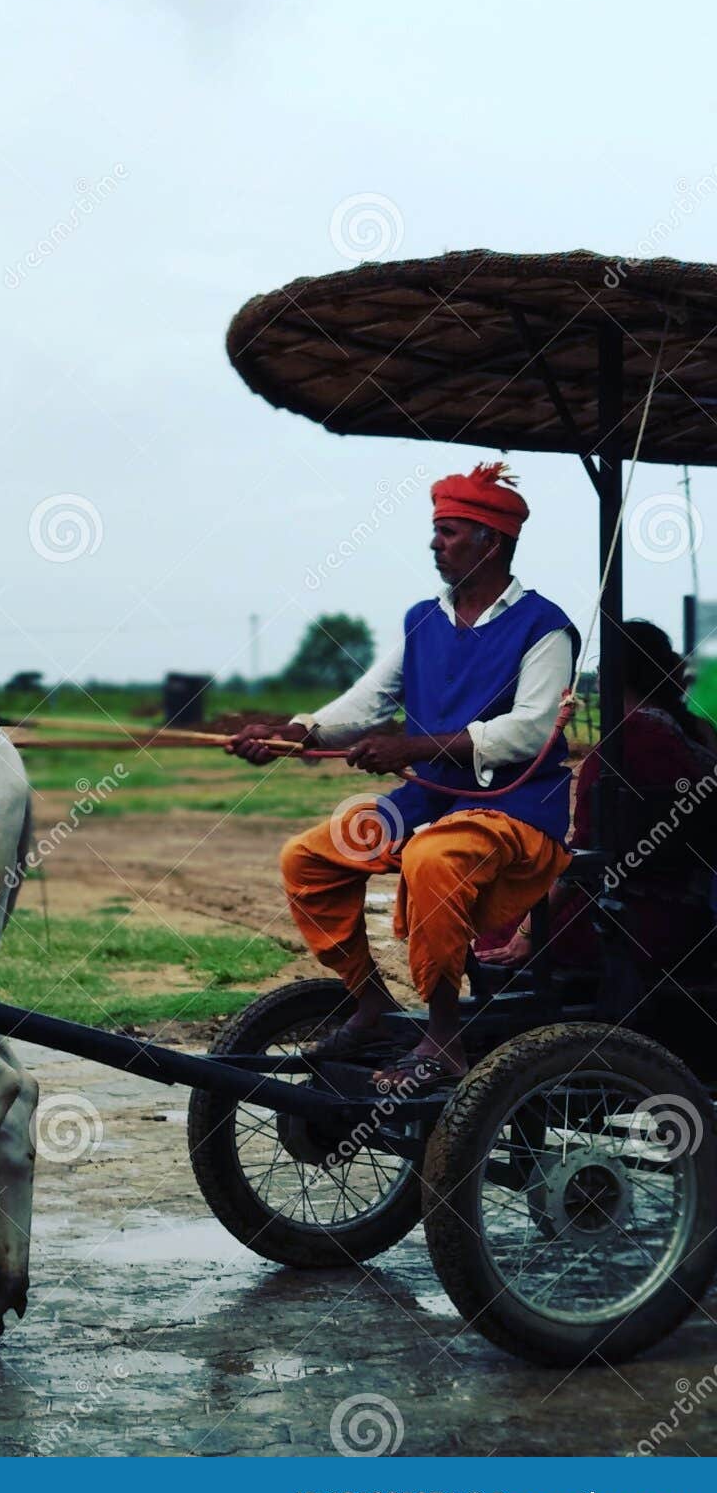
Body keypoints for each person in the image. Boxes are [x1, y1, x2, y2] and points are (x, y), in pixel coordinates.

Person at [227, 463, 576, 1090]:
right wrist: (293, 734)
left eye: (447, 532)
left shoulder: (545, 627)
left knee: (432, 859)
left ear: (490, 540)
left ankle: (443, 1037)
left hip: (517, 812)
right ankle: (371, 1004)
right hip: (429, 801)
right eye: (436, 531)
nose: (434, 544)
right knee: (309, 857)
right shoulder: (424, 618)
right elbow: (367, 703)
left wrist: (409, 744)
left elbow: (528, 732)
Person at [476, 619, 717, 971]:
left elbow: (585, 859)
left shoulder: (623, 746)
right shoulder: (700, 734)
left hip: (636, 925)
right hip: (695, 916)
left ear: (609, 679)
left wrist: (529, 934)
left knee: (494, 926)